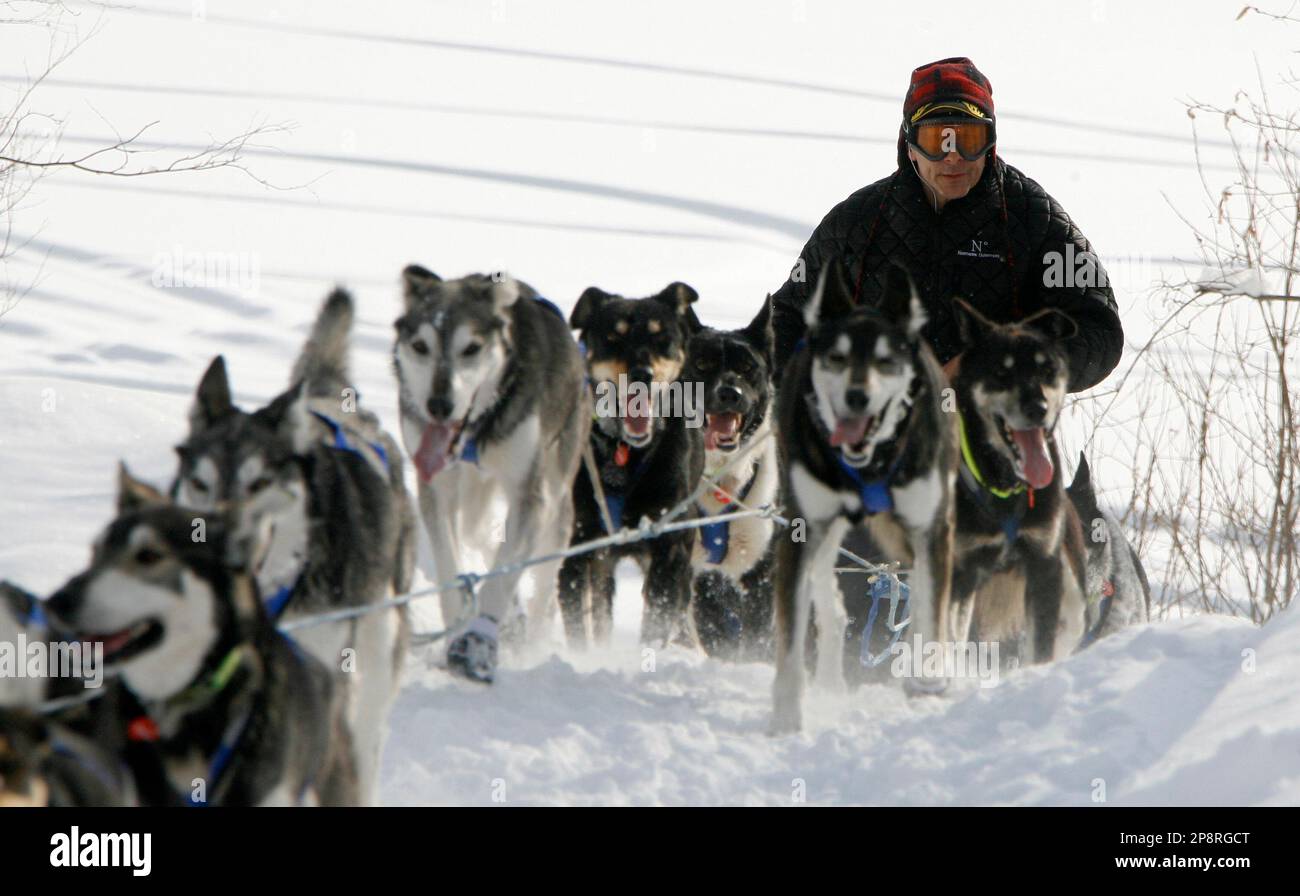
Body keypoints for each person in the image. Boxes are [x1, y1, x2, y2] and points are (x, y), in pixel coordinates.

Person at [766, 57, 1122, 391]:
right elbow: (786, 317)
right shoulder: (857, 221)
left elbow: (1099, 329)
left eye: (968, 140)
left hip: (991, 422)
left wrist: (1005, 365)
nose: (953, 157)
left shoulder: (1034, 217)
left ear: (990, 144)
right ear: (910, 145)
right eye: (938, 140)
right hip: (875, 427)